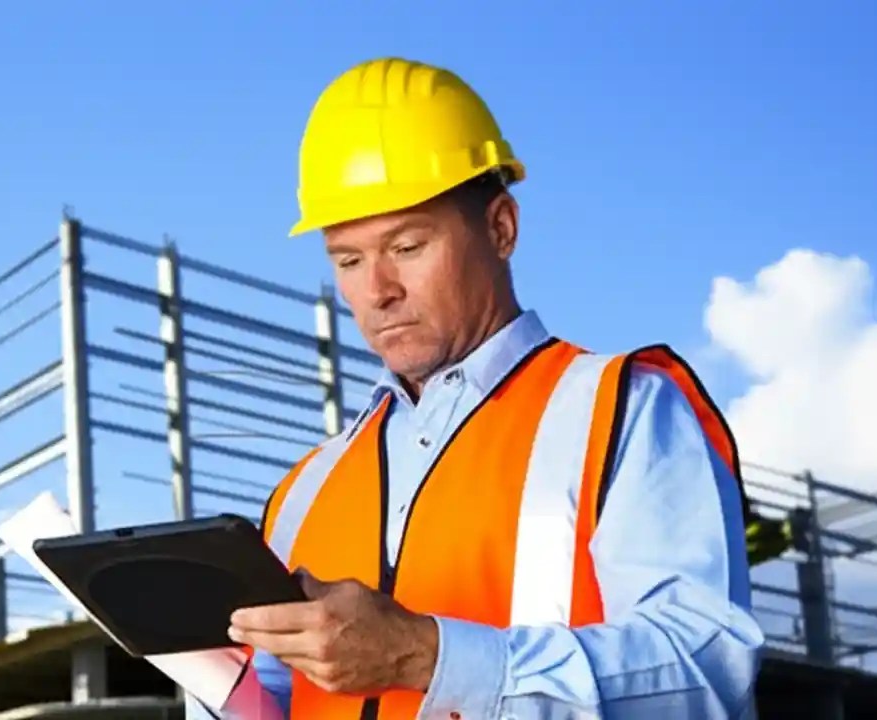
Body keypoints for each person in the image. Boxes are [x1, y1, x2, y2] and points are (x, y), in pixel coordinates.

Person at [185, 56, 764, 719]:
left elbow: (707, 671)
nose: (377, 291)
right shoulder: (302, 492)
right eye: (348, 260)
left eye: (406, 247)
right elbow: (273, 703)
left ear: (501, 228)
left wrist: (426, 656)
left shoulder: (620, 410)